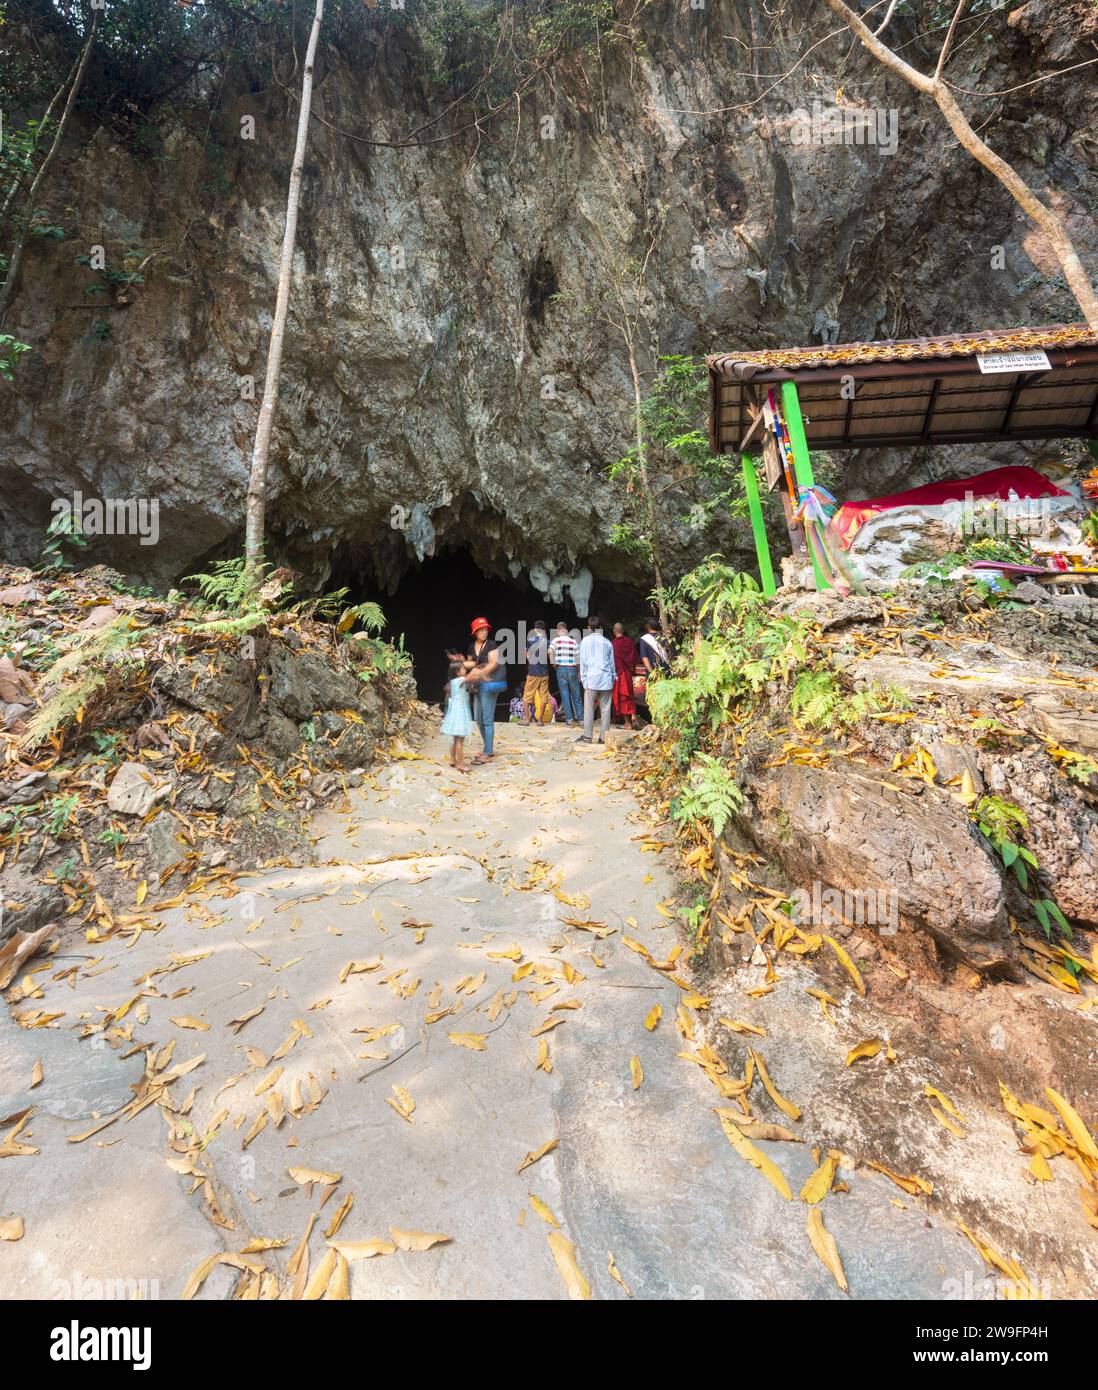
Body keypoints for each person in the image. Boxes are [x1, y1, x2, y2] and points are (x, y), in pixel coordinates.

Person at [462, 617, 507, 765]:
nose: (484, 631)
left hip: (489, 685)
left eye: (486, 629)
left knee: (487, 719)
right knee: (478, 719)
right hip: (477, 686)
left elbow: (494, 663)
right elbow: (470, 664)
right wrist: (459, 661)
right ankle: (487, 746)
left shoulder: (491, 644)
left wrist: (479, 673)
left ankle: (487, 752)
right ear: (475, 632)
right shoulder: (470, 647)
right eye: (481, 629)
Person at [577, 615, 615, 745]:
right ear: (600, 628)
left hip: (591, 679)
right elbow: (612, 663)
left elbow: (582, 662)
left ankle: (587, 736)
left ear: (589, 628)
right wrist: (613, 677)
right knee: (606, 710)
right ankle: (604, 738)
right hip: (605, 680)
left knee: (588, 708)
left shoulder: (584, 642)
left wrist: (583, 678)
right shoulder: (608, 642)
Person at [440, 661, 473, 771]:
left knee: (454, 738)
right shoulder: (460, 680)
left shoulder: (453, 681)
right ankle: (461, 764)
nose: (465, 670)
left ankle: (452, 759)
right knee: (460, 739)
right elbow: (471, 677)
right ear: (457, 673)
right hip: (460, 712)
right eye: (463, 668)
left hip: (455, 711)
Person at [549, 620, 581, 726]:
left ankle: (570, 719)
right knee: (576, 694)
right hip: (572, 669)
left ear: (558, 630)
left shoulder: (555, 641)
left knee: (564, 694)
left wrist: (553, 664)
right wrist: (579, 672)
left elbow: (550, 651)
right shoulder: (573, 642)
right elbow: (578, 658)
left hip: (561, 669)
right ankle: (581, 719)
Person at [522, 620, 553, 725]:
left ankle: (527, 719)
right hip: (544, 673)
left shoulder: (530, 640)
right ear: (544, 630)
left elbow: (527, 655)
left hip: (533, 672)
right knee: (543, 696)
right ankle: (540, 720)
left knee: (527, 696)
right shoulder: (548, 642)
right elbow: (550, 656)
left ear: (535, 629)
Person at [610, 622, 638, 729]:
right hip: (628, 672)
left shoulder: (613, 644)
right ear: (623, 630)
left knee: (622, 697)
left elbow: (611, 661)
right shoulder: (630, 642)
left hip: (619, 673)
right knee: (630, 695)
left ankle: (627, 723)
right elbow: (634, 658)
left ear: (614, 631)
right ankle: (633, 715)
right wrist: (633, 671)